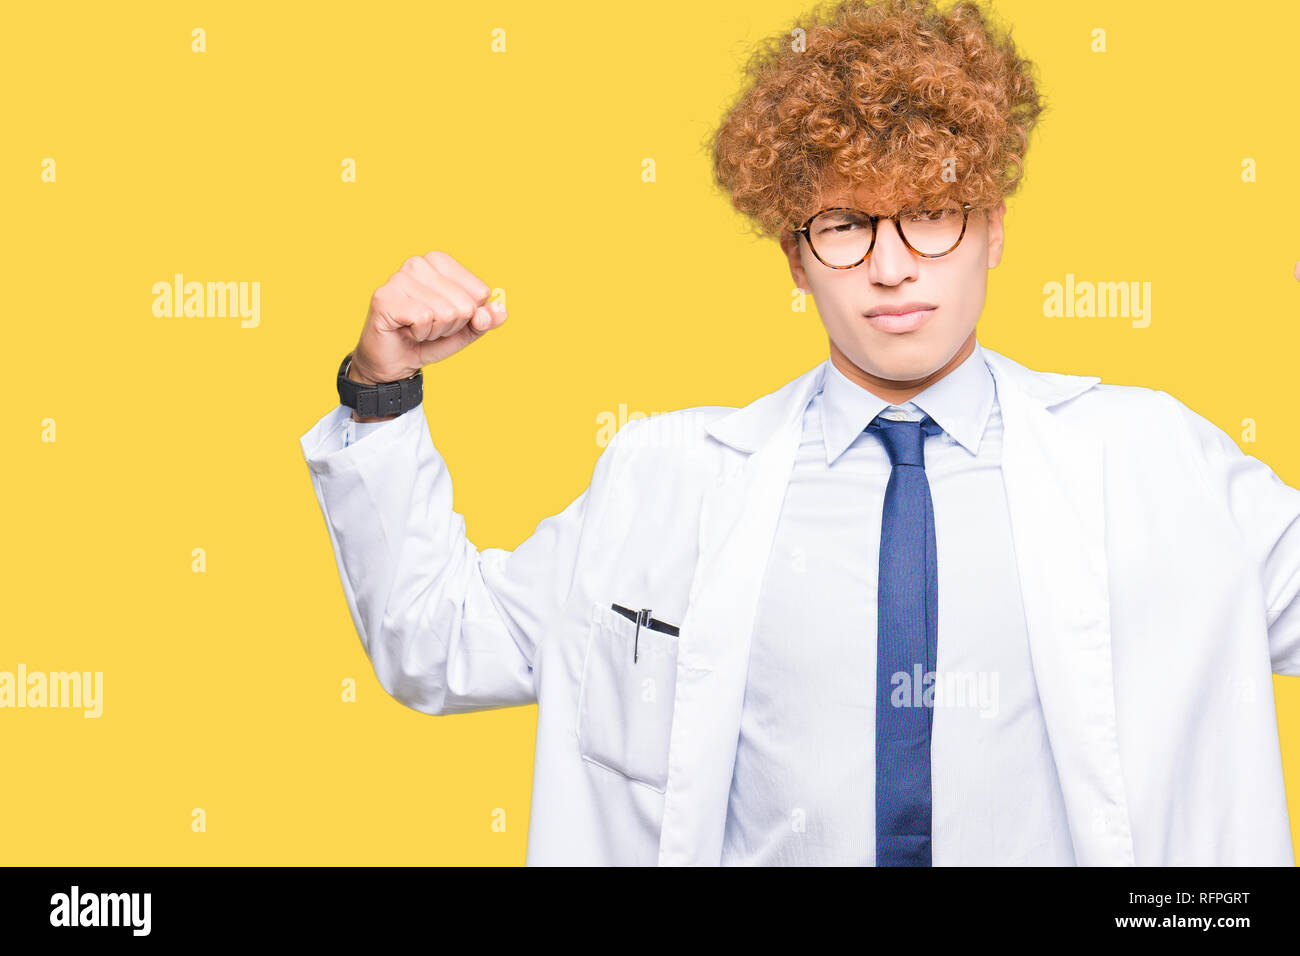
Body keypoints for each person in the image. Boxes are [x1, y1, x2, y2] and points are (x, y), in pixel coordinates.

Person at [298, 0, 1299, 865]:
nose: (892, 265)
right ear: (794, 255)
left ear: (992, 225)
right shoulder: (670, 481)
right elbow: (436, 643)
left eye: (930, 215)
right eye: (846, 224)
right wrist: (380, 386)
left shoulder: (1155, 460)